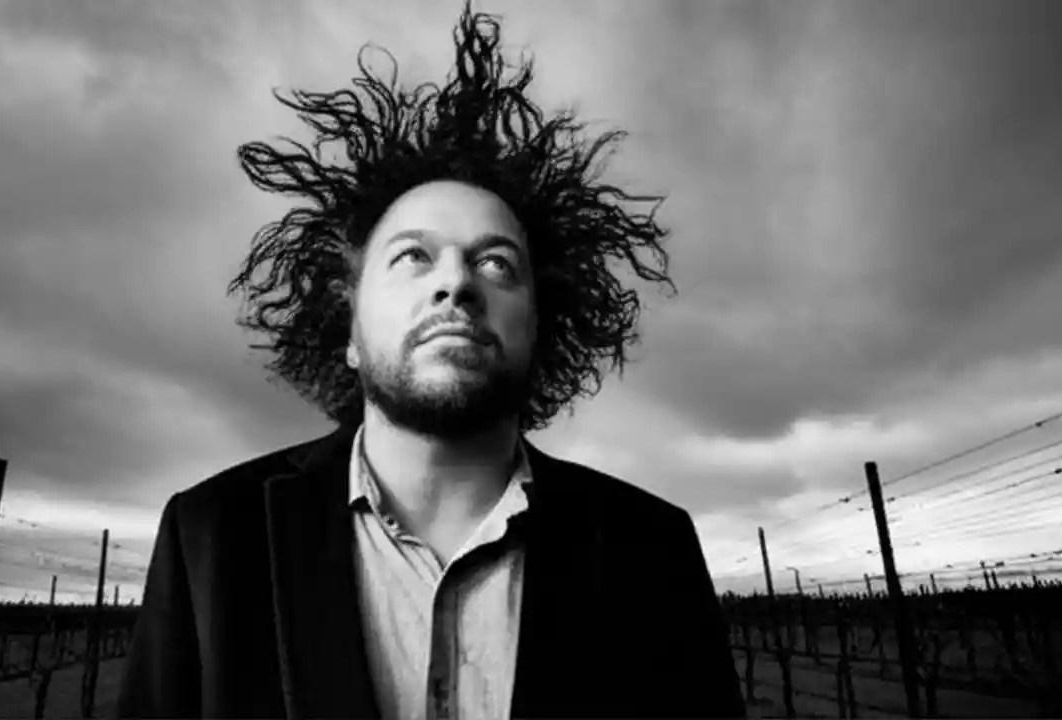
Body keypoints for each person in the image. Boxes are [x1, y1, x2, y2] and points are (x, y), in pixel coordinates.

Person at [116, 3, 745, 719]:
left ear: (540, 326)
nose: (457, 282)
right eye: (413, 256)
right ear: (347, 329)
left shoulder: (651, 549)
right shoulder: (210, 535)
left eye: (497, 262)